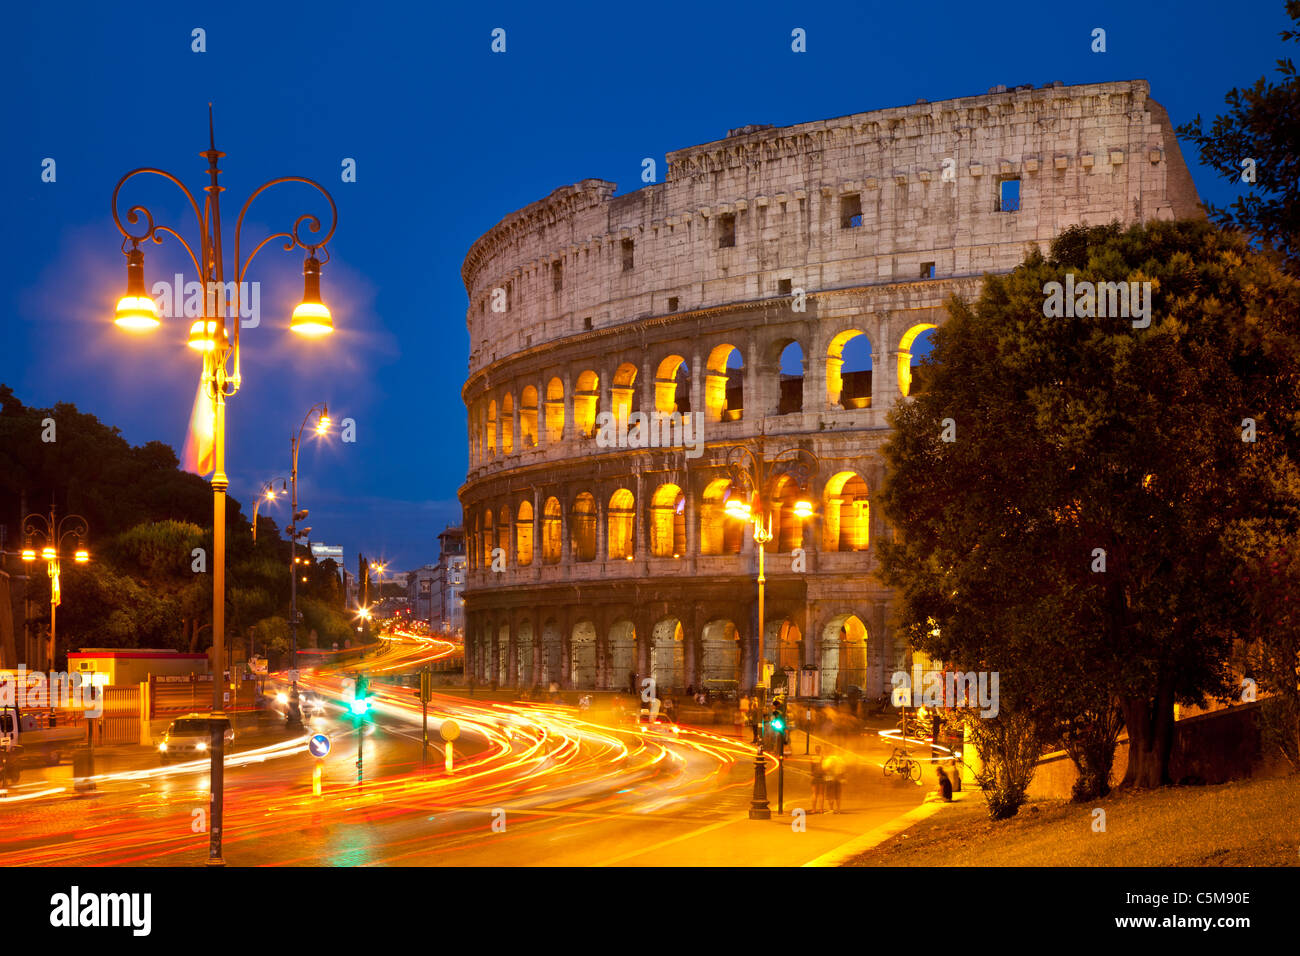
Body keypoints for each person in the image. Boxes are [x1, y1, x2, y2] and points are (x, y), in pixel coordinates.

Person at [811, 745, 826, 813]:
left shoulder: (812, 757)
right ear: (820, 750)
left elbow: (812, 767)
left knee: (814, 793)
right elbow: (824, 767)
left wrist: (812, 774)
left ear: (815, 750)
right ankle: (821, 809)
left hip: (815, 776)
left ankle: (813, 809)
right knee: (821, 794)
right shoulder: (822, 757)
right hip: (821, 776)